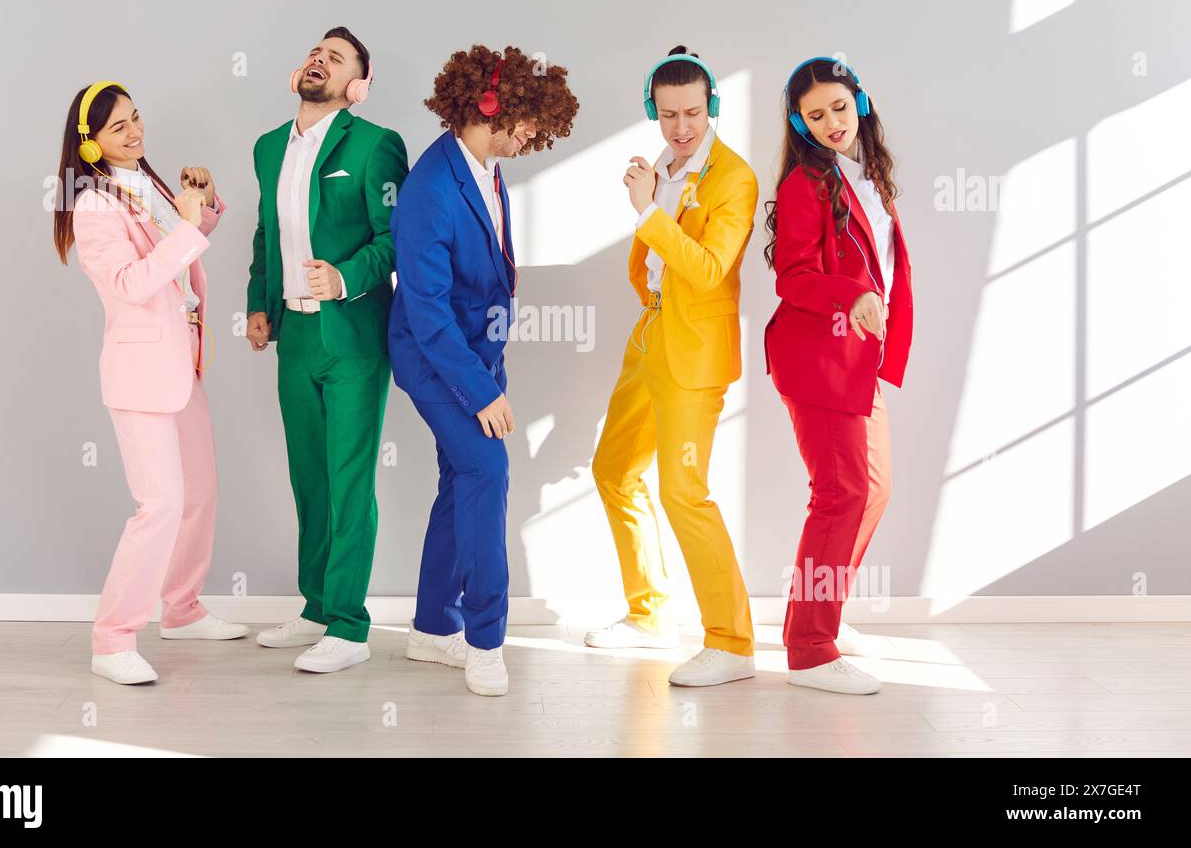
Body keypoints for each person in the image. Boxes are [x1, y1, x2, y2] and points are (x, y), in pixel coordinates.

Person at [388, 45, 578, 696]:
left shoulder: (487, 168)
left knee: (459, 479)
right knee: (488, 467)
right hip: (431, 354)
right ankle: (485, 640)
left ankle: (430, 628)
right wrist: (479, 393)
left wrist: (492, 365)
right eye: (528, 120)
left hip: (476, 352)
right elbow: (428, 311)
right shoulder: (429, 189)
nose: (533, 135)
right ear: (489, 105)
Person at [54, 81, 247, 685]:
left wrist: (204, 206)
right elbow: (133, 284)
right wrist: (189, 226)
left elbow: (184, 246)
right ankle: (112, 639)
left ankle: (182, 609)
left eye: (136, 118)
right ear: (89, 146)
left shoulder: (147, 183)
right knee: (158, 504)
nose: (136, 133)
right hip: (140, 373)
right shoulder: (92, 206)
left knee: (200, 495)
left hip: (182, 362)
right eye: (118, 128)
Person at [585, 47, 760, 687]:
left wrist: (648, 210)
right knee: (613, 469)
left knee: (684, 491)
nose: (681, 127)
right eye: (667, 115)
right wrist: (653, 198)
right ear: (653, 112)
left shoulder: (733, 178)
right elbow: (656, 261)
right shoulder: (664, 164)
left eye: (691, 113)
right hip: (650, 332)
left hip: (694, 348)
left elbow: (711, 269)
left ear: (711, 106)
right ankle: (651, 613)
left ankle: (733, 643)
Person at [245, 28, 409, 674]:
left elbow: (394, 238)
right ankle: (316, 606)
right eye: (317, 51)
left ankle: (348, 623)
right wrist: (260, 302)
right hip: (295, 336)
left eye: (336, 58)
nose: (321, 59)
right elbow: (266, 230)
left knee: (349, 480)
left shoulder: (374, 146)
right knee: (309, 477)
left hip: (352, 335)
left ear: (356, 86)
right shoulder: (267, 148)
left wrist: (343, 276)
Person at [763, 56, 914, 694]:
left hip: (858, 359)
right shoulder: (805, 184)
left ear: (862, 104)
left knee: (871, 490)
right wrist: (850, 295)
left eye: (840, 108)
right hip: (817, 359)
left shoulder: (869, 174)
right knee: (841, 493)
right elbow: (792, 275)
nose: (830, 122)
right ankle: (811, 648)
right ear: (800, 121)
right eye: (815, 114)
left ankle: (819, 613)